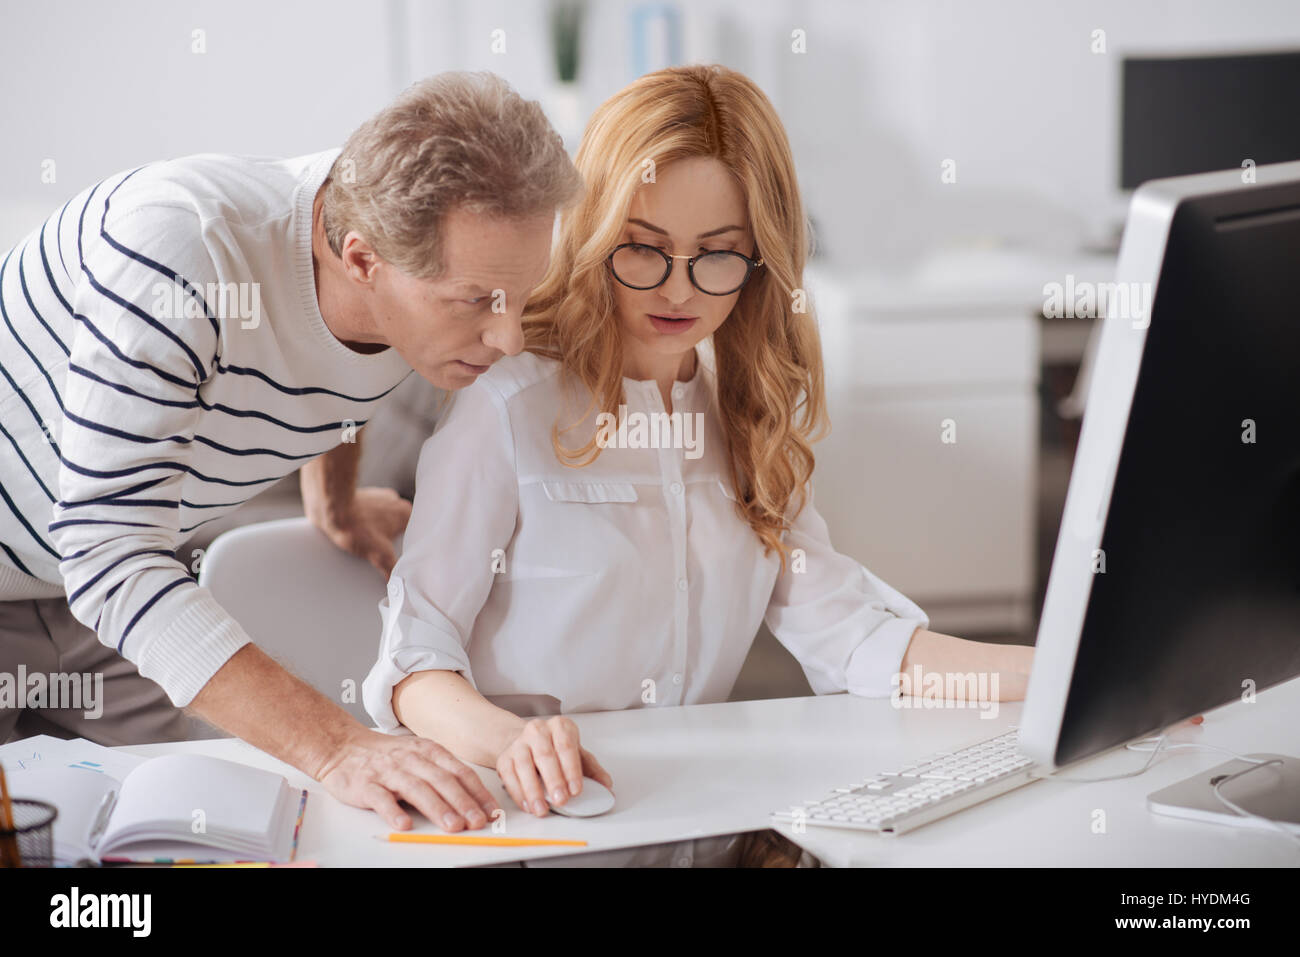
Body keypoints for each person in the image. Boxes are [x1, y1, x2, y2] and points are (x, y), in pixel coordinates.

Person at [362, 64, 1034, 866]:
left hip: (694, 829)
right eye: (643, 250)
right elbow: (411, 664)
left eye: (718, 255)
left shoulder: (744, 422)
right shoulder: (506, 407)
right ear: (595, 232)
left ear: (759, 262)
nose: (677, 289)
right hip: (536, 834)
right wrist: (511, 740)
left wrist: (1065, 671)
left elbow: (858, 643)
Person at [0, 71, 580, 833]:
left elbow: (343, 356)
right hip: (94, 566)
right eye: (475, 300)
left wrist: (334, 498)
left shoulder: (394, 242)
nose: (507, 339)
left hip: (90, 605)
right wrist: (340, 746)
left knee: (225, 831)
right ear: (363, 260)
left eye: (520, 296)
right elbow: (109, 555)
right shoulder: (179, 254)